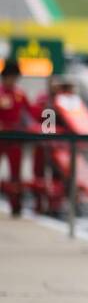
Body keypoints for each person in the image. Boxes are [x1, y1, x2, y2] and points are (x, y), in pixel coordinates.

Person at [0, 59, 38, 215]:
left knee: (16, 174)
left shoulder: (19, 94)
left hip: (15, 137)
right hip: (1, 137)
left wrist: (46, 110)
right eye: (10, 77)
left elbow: (31, 112)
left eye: (15, 77)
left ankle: (16, 205)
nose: (13, 80)